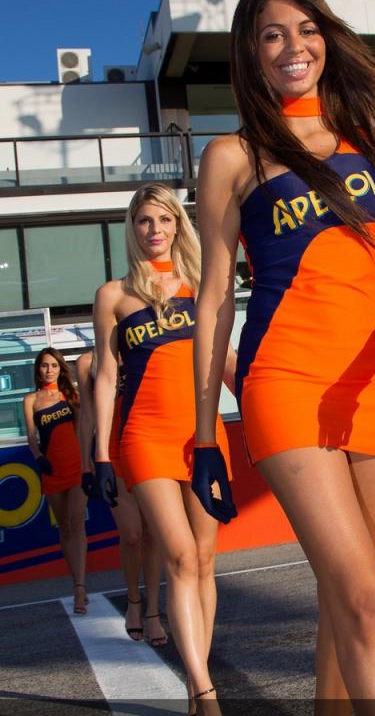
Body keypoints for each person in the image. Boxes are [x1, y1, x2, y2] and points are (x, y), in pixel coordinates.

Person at [193, 0, 375, 714]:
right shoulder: (232, 155)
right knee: (367, 600)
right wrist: (203, 433)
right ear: (251, 54)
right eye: (272, 34)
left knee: (346, 599)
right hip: (283, 378)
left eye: (306, 29)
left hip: (374, 378)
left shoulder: (373, 141)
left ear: (326, 37)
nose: (293, 46)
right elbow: (214, 296)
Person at [92, 183, 236, 715]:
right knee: (177, 555)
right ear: (132, 230)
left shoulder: (203, 285)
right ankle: (202, 687)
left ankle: (199, 678)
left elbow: (226, 362)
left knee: (203, 558)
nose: (154, 230)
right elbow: (107, 379)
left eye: (163, 220)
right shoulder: (114, 296)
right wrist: (100, 455)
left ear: (179, 225)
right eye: (143, 221)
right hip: (145, 438)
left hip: (202, 435)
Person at [76, 350, 167, 647]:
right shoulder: (88, 362)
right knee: (132, 534)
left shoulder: (140, 342)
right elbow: (87, 413)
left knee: (153, 534)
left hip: (147, 442)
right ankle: (133, 601)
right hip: (112, 452)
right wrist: (86, 464)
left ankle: (152, 611)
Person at [23, 347, 89, 614]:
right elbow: (31, 437)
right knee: (65, 529)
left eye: (53, 365)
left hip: (77, 467)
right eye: (44, 365)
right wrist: (39, 456)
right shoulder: (30, 400)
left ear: (61, 368)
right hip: (51, 469)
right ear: (38, 369)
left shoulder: (71, 395)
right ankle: (77, 581)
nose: (49, 370)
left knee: (76, 523)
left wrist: (90, 460)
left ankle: (80, 589)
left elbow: (86, 427)